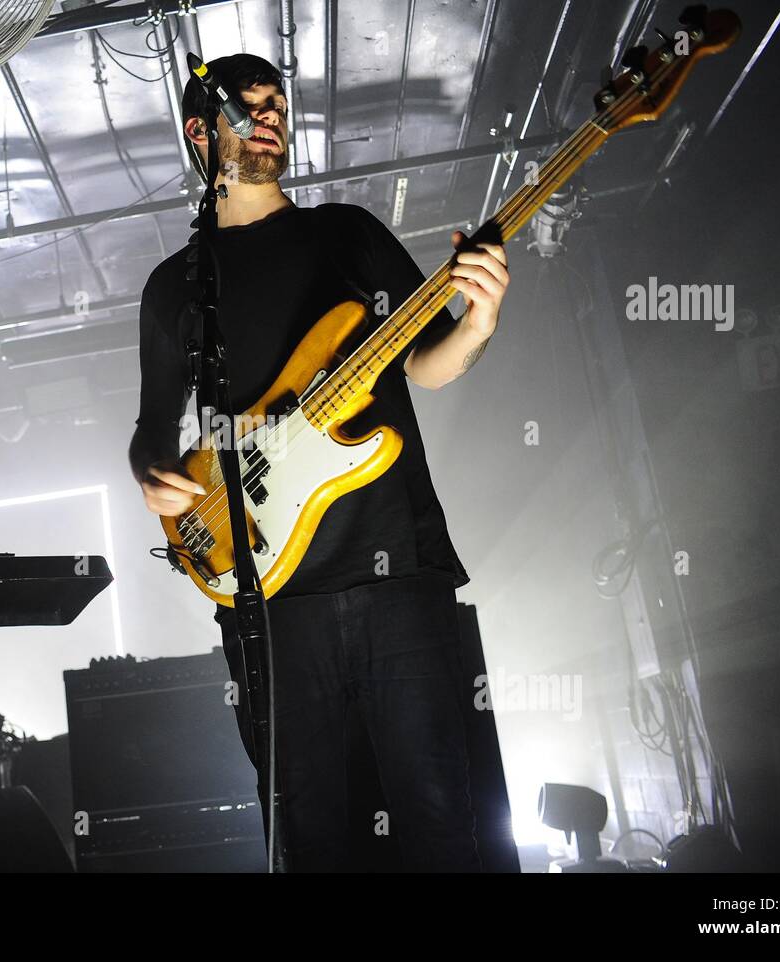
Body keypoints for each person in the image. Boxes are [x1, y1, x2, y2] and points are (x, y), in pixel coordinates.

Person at [129, 54, 510, 871]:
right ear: (201, 133)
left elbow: (425, 362)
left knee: (441, 813)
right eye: (247, 107)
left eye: (277, 103)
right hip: (268, 590)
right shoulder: (174, 287)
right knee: (306, 834)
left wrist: (475, 323)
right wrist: (152, 472)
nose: (270, 117)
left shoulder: (347, 233)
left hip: (395, 570)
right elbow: (153, 427)